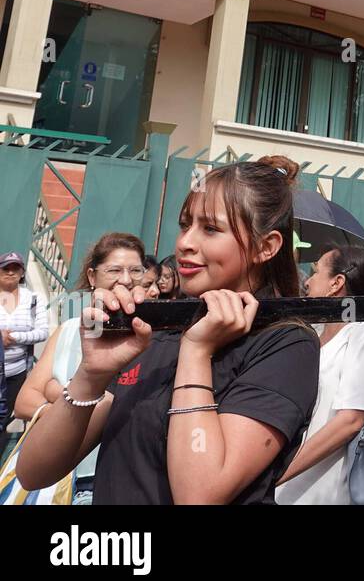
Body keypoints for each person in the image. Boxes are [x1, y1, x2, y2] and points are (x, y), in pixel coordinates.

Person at [16, 156, 320, 505]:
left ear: (266, 247)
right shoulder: (158, 328)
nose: (184, 243)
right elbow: (34, 472)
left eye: (210, 229)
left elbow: (200, 493)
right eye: (184, 224)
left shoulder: (285, 344)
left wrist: (196, 352)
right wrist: (92, 374)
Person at [14, 232, 148, 502]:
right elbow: (24, 401)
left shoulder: (151, 338)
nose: (125, 279)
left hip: (114, 482)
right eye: (114, 270)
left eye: (135, 270)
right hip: (58, 482)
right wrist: (67, 413)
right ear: (92, 276)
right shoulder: (68, 331)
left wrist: (60, 393)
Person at [276, 247, 364, 505]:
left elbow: (350, 420)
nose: (307, 282)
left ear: (336, 283)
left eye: (316, 271)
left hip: (325, 490)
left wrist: (279, 473)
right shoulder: (312, 331)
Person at [0, 251, 48, 451]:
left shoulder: (33, 299)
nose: (11, 272)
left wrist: (14, 337)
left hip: (15, 373)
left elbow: (42, 332)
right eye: (5, 268)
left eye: (16, 268)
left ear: (22, 272)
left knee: (2, 424)